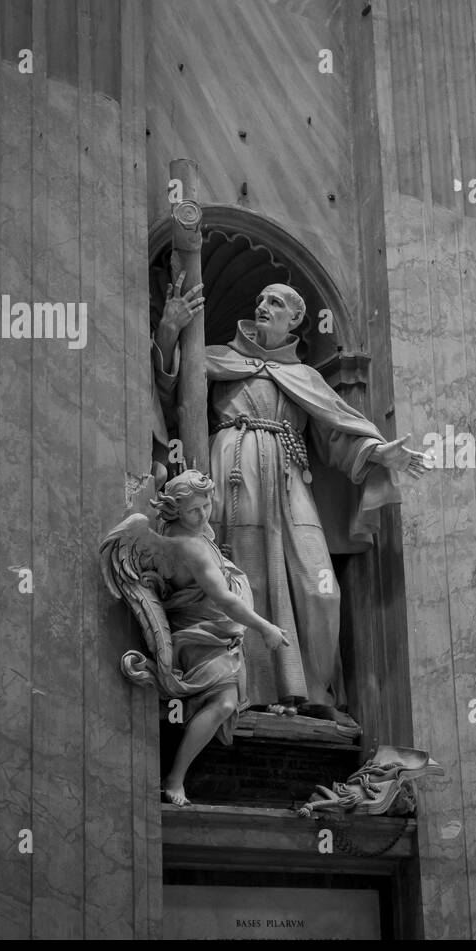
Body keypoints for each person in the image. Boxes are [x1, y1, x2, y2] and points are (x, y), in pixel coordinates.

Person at [154, 277, 429, 724]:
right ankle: (245, 691)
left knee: (320, 584)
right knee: (242, 577)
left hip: (288, 479)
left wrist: (378, 452)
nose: (263, 305)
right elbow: (171, 396)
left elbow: (338, 431)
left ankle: (314, 692)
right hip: (232, 475)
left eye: (276, 302)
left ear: (296, 318)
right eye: (259, 298)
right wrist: (169, 331)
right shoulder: (218, 358)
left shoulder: (306, 377)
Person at [103, 470, 290, 806]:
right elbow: (224, 599)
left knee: (225, 702)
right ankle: (174, 780)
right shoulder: (191, 546)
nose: (204, 514)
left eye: (207, 505)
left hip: (214, 629)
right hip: (202, 632)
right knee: (225, 703)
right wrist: (266, 628)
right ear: (174, 509)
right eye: (194, 510)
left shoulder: (185, 530)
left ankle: (176, 777)